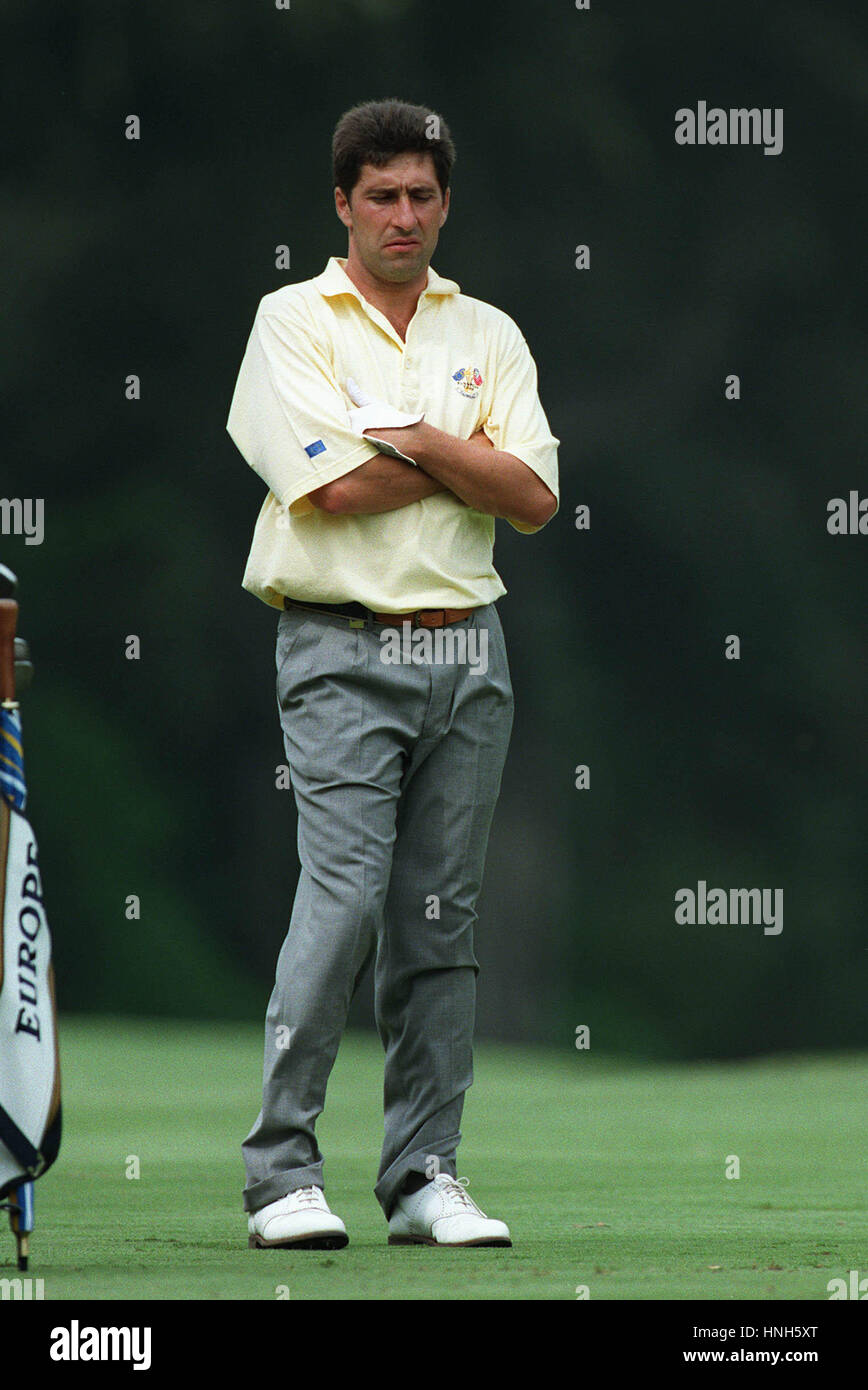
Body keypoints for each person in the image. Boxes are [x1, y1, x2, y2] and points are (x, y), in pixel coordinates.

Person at [227, 98, 559, 1250]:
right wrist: (465, 455)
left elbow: (534, 500)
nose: (403, 214)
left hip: (469, 643)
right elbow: (332, 490)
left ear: (445, 202)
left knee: (439, 917)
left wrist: (408, 434)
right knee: (346, 896)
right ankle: (281, 1174)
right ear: (342, 203)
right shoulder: (291, 319)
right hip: (340, 642)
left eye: (422, 194)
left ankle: (424, 1173)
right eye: (381, 194)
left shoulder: (490, 335)